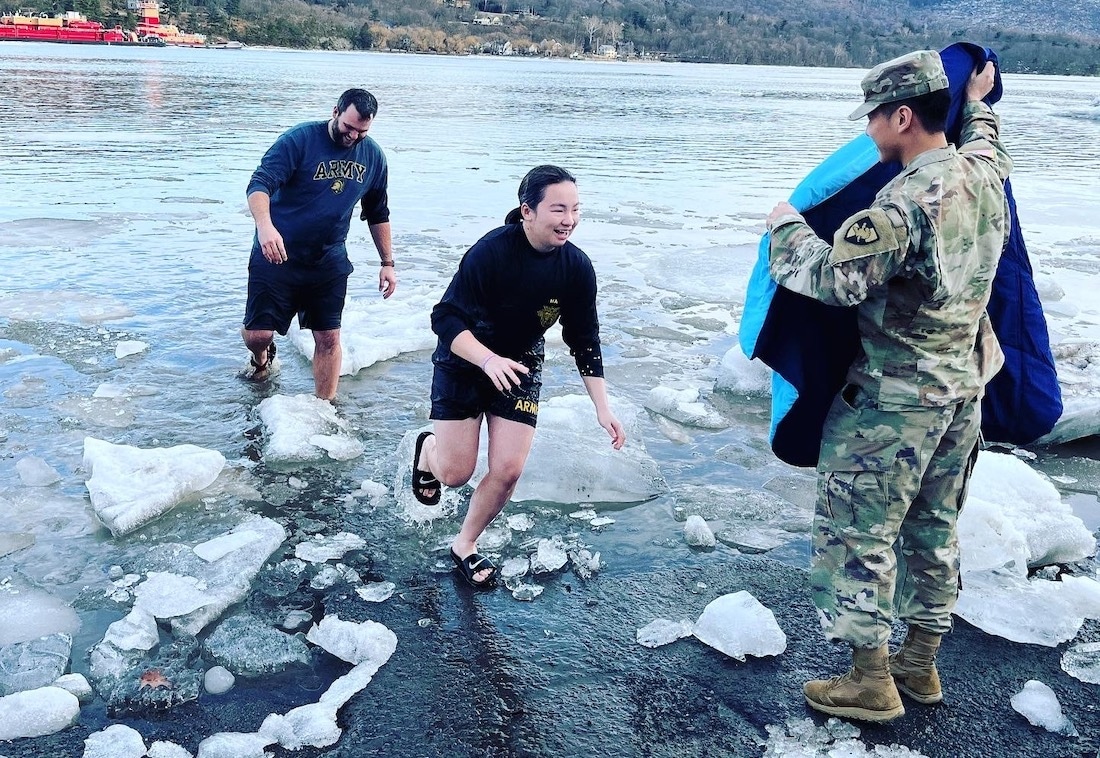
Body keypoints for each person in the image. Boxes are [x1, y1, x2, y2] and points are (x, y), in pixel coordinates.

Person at [765, 50, 1012, 722]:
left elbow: (834, 280)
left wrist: (785, 228)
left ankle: (869, 681)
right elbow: (987, 139)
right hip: (962, 393)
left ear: (902, 117)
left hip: (892, 405)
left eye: (874, 116)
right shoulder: (983, 174)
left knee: (858, 533)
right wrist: (978, 102)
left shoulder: (903, 205)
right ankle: (919, 663)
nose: (868, 129)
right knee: (934, 528)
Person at [411, 165, 627, 588]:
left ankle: (465, 545)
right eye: (558, 209)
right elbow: (445, 318)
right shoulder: (491, 252)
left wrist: (603, 408)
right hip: (465, 358)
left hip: (521, 364)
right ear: (527, 210)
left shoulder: (576, 268)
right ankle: (428, 451)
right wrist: (487, 359)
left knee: (508, 469)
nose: (569, 220)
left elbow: (585, 339)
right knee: (454, 474)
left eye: (576, 209)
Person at [240, 88, 397, 400]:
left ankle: (325, 409)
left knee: (328, 338)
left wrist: (387, 263)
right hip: (276, 254)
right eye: (348, 127)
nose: (353, 136)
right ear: (335, 111)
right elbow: (259, 185)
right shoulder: (299, 140)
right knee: (258, 334)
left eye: (362, 131)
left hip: (328, 259)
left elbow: (378, 213)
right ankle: (261, 356)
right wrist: (265, 227)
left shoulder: (373, 157)